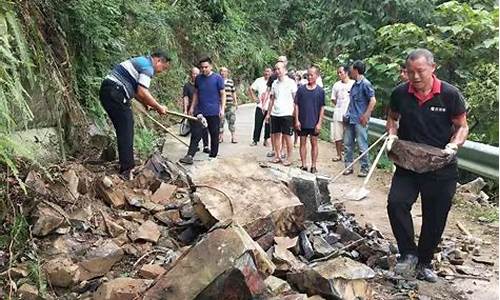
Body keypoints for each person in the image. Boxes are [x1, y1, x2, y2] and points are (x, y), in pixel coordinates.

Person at [386, 48, 468, 282]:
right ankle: (407, 254)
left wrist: (454, 144)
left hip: (441, 165)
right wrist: (391, 135)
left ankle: (424, 262)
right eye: (410, 72)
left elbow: (462, 125)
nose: (415, 77)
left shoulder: (450, 94)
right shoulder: (400, 93)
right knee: (396, 203)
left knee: (435, 215)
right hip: (408, 162)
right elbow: (392, 118)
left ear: (433, 68)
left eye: (420, 71)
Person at [100, 51, 170, 180]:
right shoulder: (148, 66)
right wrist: (158, 107)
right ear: (158, 61)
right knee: (126, 128)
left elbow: (137, 92)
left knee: (124, 128)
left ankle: (126, 166)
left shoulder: (141, 62)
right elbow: (142, 91)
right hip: (116, 91)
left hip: (109, 90)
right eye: (163, 68)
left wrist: (147, 103)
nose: (161, 71)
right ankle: (127, 170)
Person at [179, 56, 225, 164]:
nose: (204, 69)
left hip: (213, 111)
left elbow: (223, 94)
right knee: (196, 133)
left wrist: (222, 109)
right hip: (200, 111)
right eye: (202, 68)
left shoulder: (217, 78)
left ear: (211, 66)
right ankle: (190, 155)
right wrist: (192, 107)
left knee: (214, 134)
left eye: (206, 67)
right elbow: (196, 93)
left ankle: (213, 156)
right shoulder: (199, 78)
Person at [343, 60, 376, 177]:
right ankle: (348, 167)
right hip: (350, 118)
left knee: (362, 145)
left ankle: (365, 168)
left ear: (356, 70)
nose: (349, 72)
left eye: (351, 69)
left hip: (359, 120)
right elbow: (351, 102)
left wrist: (366, 115)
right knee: (347, 144)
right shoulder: (354, 85)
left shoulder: (365, 84)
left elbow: (373, 100)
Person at [294, 66, 325, 173]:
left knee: (314, 143)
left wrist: (319, 123)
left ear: (317, 76)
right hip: (302, 121)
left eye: (312, 75)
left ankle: (313, 165)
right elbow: (296, 105)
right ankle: (303, 164)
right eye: (308, 75)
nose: (310, 77)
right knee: (302, 142)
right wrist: (296, 120)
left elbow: (322, 107)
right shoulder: (301, 89)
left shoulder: (320, 91)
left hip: (314, 122)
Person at [266, 61, 297, 166]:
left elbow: (295, 99)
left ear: (285, 70)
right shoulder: (274, 83)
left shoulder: (291, 83)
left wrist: (295, 114)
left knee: (287, 135)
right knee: (275, 135)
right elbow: (272, 99)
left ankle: (289, 157)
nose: (277, 71)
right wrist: (268, 113)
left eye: (279, 69)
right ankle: (277, 156)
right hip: (275, 112)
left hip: (287, 113)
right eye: (276, 69)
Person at [331, 65, 354, 162]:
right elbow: (333, 99)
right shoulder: (336, 85)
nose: (339, 74)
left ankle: (349, 156)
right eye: (338, 73)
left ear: (346, 72)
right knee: (338, 135)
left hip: (349, 114)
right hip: (338, 112)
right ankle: (338, 154)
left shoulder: (353, 84)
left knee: (348, 136)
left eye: (341, 72)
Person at [183, 67, 209, 153]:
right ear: (191, 74)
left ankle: (206, 146)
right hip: (192, 110)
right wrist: (185, 110)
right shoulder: (187, 85)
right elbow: (185, 98)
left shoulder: (203, 83)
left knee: (204, 127)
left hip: (202, 109)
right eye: (193, 73)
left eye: (196, 74)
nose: (195, 75)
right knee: (194, 129)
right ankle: (195, 145)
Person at [249, 67, 272, 146]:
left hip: (269, 107)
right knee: (258, 124)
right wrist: (254, 98)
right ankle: (255, 140)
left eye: (268, 71)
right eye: (265, 71)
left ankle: (266, 139)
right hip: (260, 106)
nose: (267, 73)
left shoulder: (274, 81)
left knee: (268, 124)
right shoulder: (259, 80)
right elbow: (251, 88)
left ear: (271, 73)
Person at [219, 67, 238, 143]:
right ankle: (220, 137)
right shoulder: (218, 81)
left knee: (232, 120)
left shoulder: (230, 82)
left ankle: (233, 137)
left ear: (227, 73)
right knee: (220, 121)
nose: (223, 73)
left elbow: (233, 92)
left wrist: (235, 102)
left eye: (225, 71)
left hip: (230, 104)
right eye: (222, 71)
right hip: (220, 104)